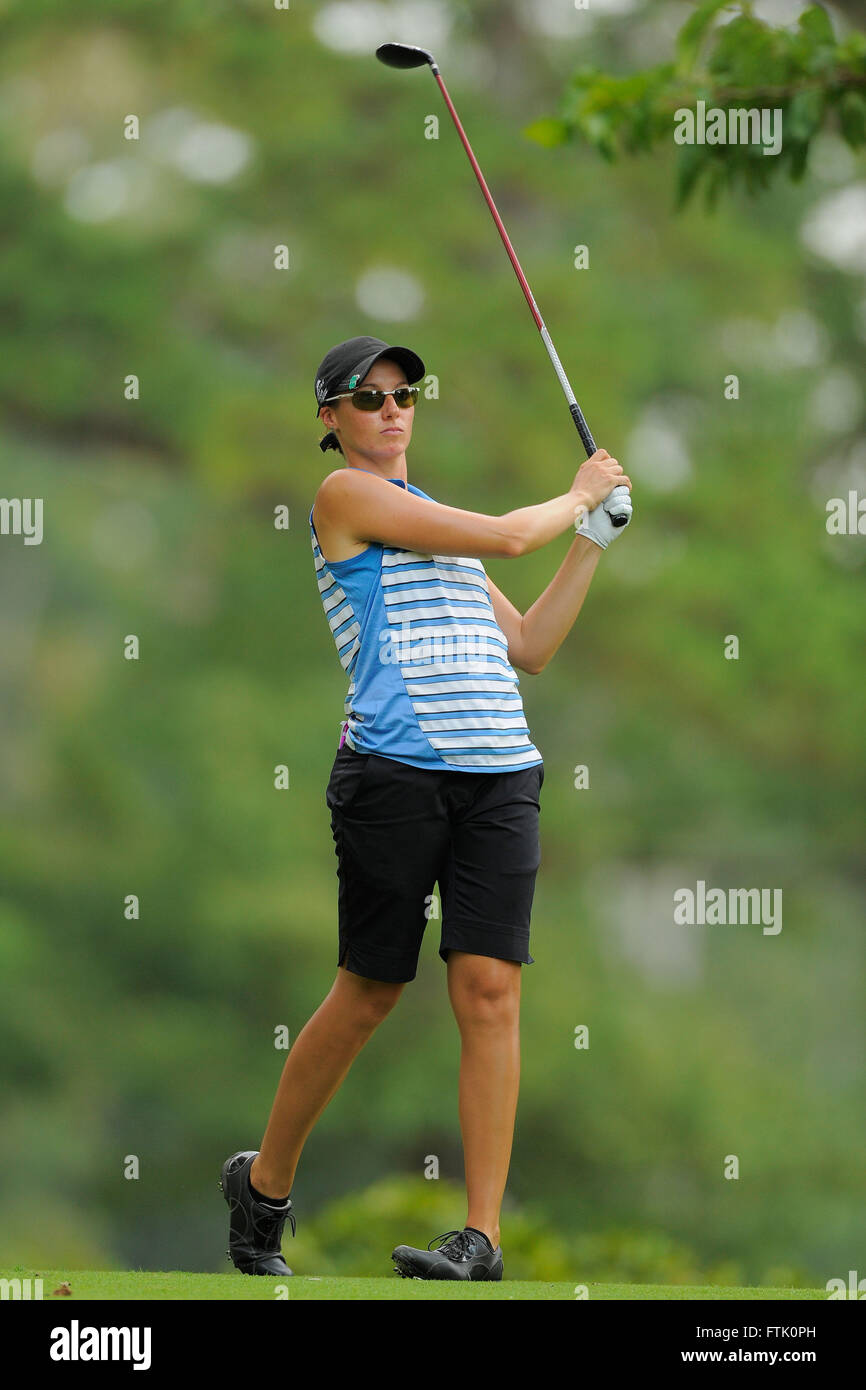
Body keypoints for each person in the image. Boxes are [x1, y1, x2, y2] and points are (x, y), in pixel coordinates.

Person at [220, 335, 632, 1281]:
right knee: (370, 991)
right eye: (367, 398)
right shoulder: (344, 501)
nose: (391, 409)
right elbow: (503, 535)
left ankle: (480, 1239)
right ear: (332, 418)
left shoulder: (432, 523)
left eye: (405, 394)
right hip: (393, 777)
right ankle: (265, 1185)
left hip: (500, 777)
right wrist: (576, 490)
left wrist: (590, 539)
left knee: (490, 992)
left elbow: (530, 644)